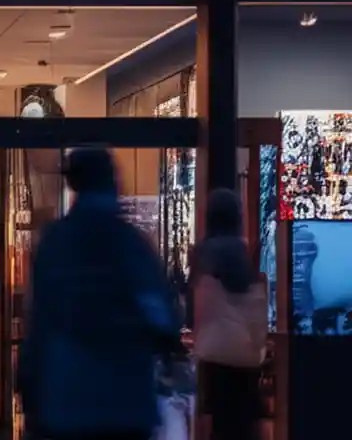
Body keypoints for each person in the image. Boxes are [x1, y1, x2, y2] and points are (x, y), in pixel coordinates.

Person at [19, 146, 181, 440]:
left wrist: (31, 390)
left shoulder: (54, 242)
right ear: (113, 182)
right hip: (126, 401)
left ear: (73, 184)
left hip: (66, 398)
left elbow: (38, 321)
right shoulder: (131, 244)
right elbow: (162, 318)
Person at [191, 188, 265, 440]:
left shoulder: (203, 252)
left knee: (218, 422)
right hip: (242, 353)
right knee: (242, 423)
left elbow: (198, 303)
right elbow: (247, 294)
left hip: (213, 352)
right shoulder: (240, 251)